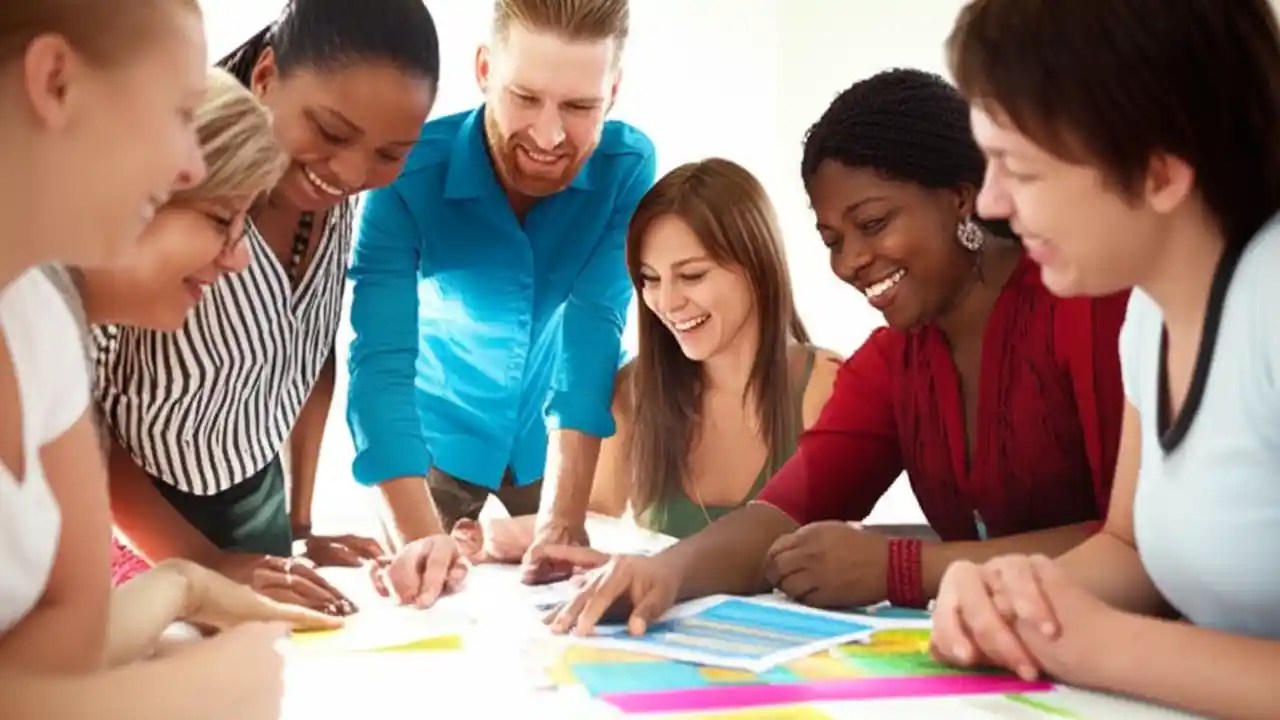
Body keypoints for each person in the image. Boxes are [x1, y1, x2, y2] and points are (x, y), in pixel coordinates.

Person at [545, 68, 1131, 636]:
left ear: (959, 197)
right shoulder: (892, 362)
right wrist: (663, 573)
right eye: (833, 240)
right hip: (1023, 656)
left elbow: (1135, 547)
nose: (849, 262)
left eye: (872, 223)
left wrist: (901, 567)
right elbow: (780, 514)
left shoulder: (1087, 309)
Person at [928, 1, 1280, 717]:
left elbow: (1115, 638)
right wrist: (1007, 595)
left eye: (1017, 169)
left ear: (1158, 173)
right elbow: (1129, 547)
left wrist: (1105, 647)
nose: (991, 205)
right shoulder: (1150, 311)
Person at [0, 2, 332, 719]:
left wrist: (187, 582)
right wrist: (175, 696)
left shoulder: (41, 313)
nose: (187, 162)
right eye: (177, 111)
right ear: (55, 82)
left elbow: (64, 641)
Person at [92, 0, 441, 615]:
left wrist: (298, 529)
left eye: (390, 154)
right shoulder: (176, 176)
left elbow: (310, 352)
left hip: (257, 506)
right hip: (143, 527)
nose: (354, 173)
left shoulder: (334, 198)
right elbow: (82, 426)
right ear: (265, 77)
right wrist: (206, 566)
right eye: (332, 133)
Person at [348, 0, 656, 602]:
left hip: (555, 441)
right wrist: (416, 539)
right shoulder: (406, 172)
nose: (549, 135)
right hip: (434, 438)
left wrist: (562, 521)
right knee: (421, 598)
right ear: (485, 69)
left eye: (579, 106)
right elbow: (379, 361)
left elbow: (594, 331)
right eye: (525, 97)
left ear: (612, 92)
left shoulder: (627, 167)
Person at [452, 158, 841, 563]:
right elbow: (593, 518)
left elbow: (828, 555)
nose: (667, 303)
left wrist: (665, 571)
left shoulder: (828, 388)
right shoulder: (633, 390)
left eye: (691, 275)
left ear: (757, 265)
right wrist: (481, 541)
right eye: (650, 279)